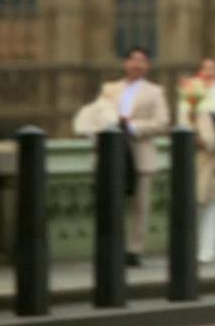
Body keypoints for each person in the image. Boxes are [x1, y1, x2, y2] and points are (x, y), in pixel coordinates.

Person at [72, 46, 170, 266]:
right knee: (110, 203)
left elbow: (162, 122)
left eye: (141, 61)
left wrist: (132, 126)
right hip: (110, 153)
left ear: (147, 65)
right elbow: (96, 114)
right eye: (133, 60)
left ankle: (133, 250)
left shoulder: (155, 92)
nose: (136, 65)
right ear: (125, 63)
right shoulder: (109, 89)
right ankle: (109, 245)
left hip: (139, 154)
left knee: (139, 205)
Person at [177, 57, 215, 264]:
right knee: (192, 201)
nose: (209, 72)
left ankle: (206, 249)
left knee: (210, 201)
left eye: (213, 68)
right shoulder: (190, 93)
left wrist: (206, 136)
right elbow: (182, 118)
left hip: (214, 153)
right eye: (205, 69)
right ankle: (190, 246)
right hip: (193, 152)